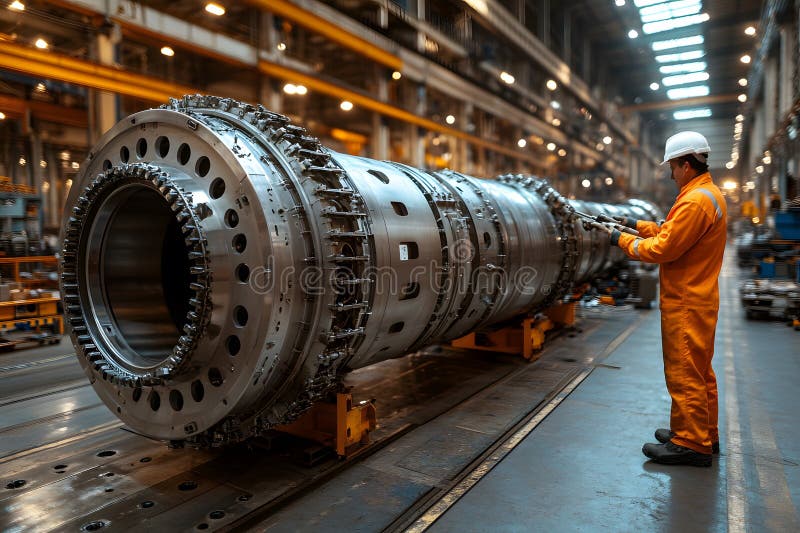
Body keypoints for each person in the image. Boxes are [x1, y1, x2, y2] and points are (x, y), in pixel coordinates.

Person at [590, 131, 727, 467]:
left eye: (673, 167)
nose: (670, 174)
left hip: (685, 300)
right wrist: (632, 223)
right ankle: (703, 433)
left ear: (685, 164)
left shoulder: (695, 201)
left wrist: (620, 240)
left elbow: (664, 248)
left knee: (684, 372)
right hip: (698, 297)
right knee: (700, 371)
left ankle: (691, 444)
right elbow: (670, 229)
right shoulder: (706, 195)